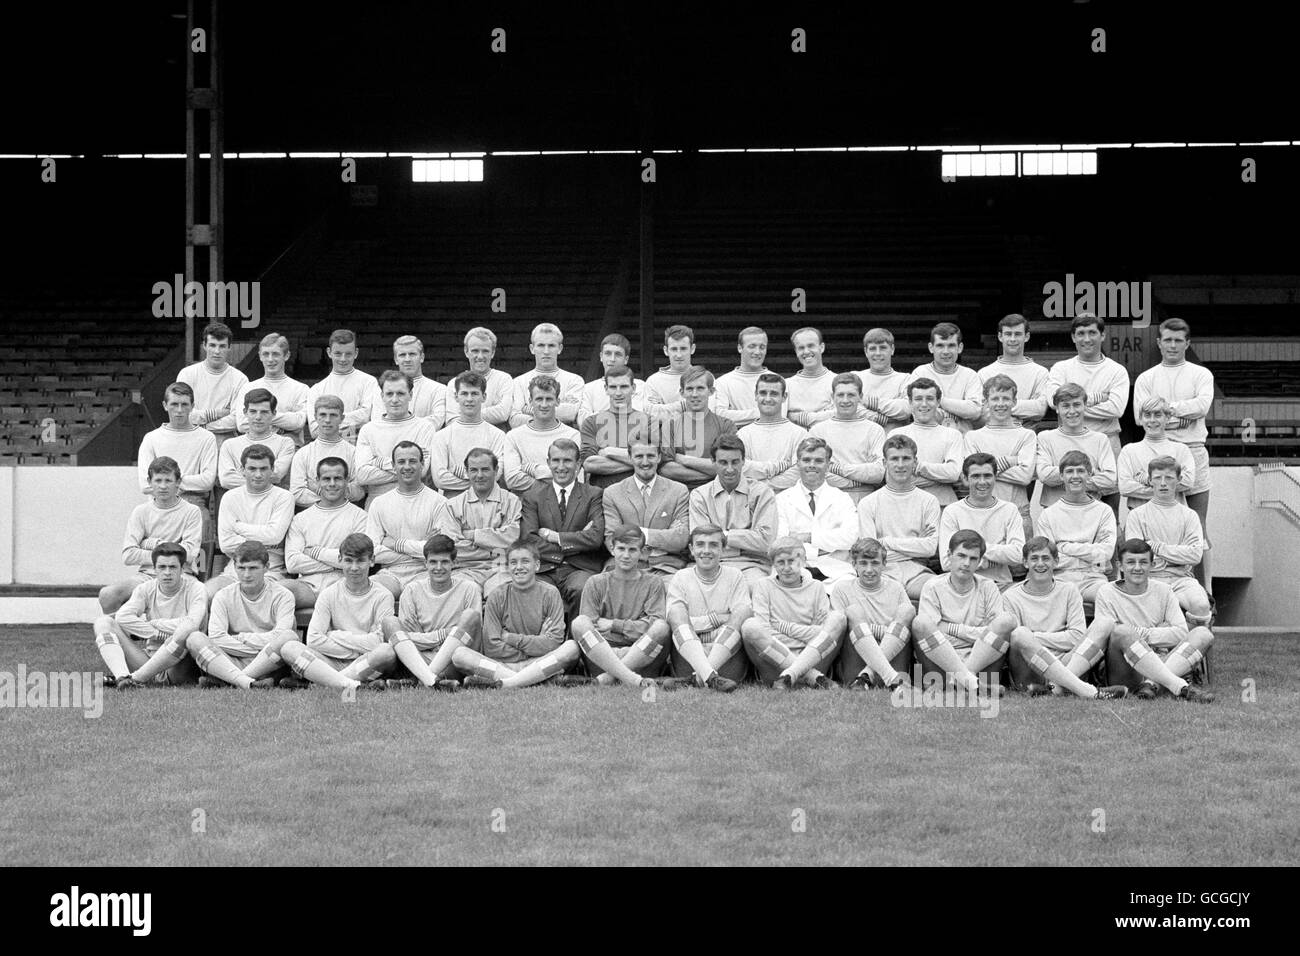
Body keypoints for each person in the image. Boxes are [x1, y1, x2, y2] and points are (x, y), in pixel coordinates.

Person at [1133, 317, 1215, 595]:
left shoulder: (1200, 374)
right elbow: (1139, 415)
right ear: (1158, 342)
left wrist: (1166, 410)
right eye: (1167, 339)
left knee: (1198, 527)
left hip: (1192, 449)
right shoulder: (1147, 378)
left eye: (1179, 340)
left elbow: (1202, 405)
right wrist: (1181, 416)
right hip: (1157, 450)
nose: (1172, 345)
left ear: (1187, 343)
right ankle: (1154, 591)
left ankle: (1205, 593)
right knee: (1155, 524)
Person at [1090, 539, 1214, 703]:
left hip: (1163, 661)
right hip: (1127, 668)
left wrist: (1139, 634)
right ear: (1120, 566)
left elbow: (1181, 633)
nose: (1137, 568)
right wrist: (1158, 632)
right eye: (1130, 562)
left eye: (1143, 562)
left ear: (1152, 565)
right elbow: (1107, 635)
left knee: (1203, 633)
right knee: (1121, 632)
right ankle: (1176, 685)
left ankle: (1151, 685)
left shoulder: (1164, 590)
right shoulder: (1106, 592)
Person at [1003, 537, 1128, 699]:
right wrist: (1032, 641)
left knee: (1106, 623)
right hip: (1031, 667)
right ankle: (1085, 690)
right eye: (1034, 558)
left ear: (1056, 562)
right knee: (1019, 634)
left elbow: (1076, 636)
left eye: (1046, 558)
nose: (1040, 564)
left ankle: (1056, 688)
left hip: (1069, 661)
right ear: (1025, 563)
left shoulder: (1069, 590)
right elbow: (1020, 643)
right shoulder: (1010, 596)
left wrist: (1034, 637)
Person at [275, 533, 400, 690]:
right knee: (289, 648)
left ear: (372, 560)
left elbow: (378, 642)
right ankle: (351, 683)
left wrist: (335, 635)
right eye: (348, 561)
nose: (354, 568)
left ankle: (324, 682)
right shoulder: (329, 593)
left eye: (360, 561)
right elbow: (313, 640)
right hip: (329, 660)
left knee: (386, 653)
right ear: (339, 560)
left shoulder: (383, 596)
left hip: (364, 661)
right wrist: (356, 647)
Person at [454, 540, 582, 689]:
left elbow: (554, 643)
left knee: (572, 648)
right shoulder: (497, 595)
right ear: (507, 567)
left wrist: (510, 638)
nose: (519, 567)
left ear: (537, 565)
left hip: (537, 661)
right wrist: (536, 645)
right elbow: (492, 648)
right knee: (460, 655)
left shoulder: (551, 593)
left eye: (525, 561)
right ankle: (536, 679)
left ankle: (507, 682)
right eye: (513, 562)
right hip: (507, 665)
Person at [910, 530, 1017, 695]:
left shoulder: (988, 586)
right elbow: (932, 631)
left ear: (979, 561)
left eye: (973, 558)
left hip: (980, 657)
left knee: (1007, 621)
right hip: (943, 658)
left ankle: (958, 682)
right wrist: (978, 634)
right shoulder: (932, 586)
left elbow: (995, 631)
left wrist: (952, 629)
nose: (966, 563)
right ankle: (971, 683)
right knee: (920, 623)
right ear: (949, 555)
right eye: (961, 555)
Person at [567, 525, 670, 689]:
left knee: (661, 627)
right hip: (603, 655)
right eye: (621, 549)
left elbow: (654, 627)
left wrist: (614, 625)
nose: (626, 555)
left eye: (632, 550)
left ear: (642, 552)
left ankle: (609, 678)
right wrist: (635, 629)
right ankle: (632, 679)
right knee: (579, 623)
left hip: (641, 655)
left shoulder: (653, 583)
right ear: (612, 549)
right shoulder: (596, 582)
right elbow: (592, 628)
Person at [92, 542, 205, 689]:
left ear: (183, 569)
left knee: (186, 633)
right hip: (148, 660)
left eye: (173, 567)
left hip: (179, 664)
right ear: (154, 569)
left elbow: (192, 624)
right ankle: (123, 678)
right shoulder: (145, 588)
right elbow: (123, 617)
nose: (167, 572)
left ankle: (134, 678)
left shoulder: (196, 589)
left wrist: (156, 623)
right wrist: (156, 634)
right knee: (104, 622)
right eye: (162, 567)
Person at [100, 456, 203, 614]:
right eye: (158, 480)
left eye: (168, 480)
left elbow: (188, 554)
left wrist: (149, 543)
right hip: (147, 575)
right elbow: (128, 555)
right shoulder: (141, 512)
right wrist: (165, 549)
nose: (163, 486)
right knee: (107, 595)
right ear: (149, 482)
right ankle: (119, 636)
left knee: (199, 595)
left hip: (180, 574)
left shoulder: (191, 512)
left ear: (178, 482)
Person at [186, 540, 295, 689]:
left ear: (266, 568)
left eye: (253, 568)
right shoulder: (223, 595)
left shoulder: (283, 595)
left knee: (289, 637)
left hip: (266, 660)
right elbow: (217, 638)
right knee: (195, 638)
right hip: (231, 657)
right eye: (241, 568)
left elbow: (280, 635)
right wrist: (255, 647)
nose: (246, 574)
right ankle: (249, 682)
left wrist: (241, 638)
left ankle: (231, 680)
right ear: (234, 568)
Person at [741, 537, 846, 688]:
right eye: (780, 562)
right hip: (774, 662)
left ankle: (794, 674)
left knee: (838, 618)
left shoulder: (816, 587)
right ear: (773, 564)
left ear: (803, 561)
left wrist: (781, 626)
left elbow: (822, 635)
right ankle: (811, 676)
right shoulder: (763, 586)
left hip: (813, 659)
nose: (786, 567)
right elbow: (764, 632)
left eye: (791, 561)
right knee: (750, 626)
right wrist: (809, 632)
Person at [383, 534, 481, 690]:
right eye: (433, 562)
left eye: (445, 562)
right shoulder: (412, 590)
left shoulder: (469, 589)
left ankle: (423, 680)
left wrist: (427, 639)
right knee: (390, 622)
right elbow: (407, 641)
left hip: (452, 662)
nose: (439, 568)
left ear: (454, 563)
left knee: (470, 617)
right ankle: (433, 680)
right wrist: (446, 634)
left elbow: (471, 638)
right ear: (425, 564)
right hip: (418, 660)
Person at [519, 438, 605, 615]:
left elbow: (595, 538)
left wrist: (555, 537)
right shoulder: (532, 496)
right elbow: (529, 540)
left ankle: (575, 640)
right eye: (556, 460)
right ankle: (545, 642)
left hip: (579, 568)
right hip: (544, 568)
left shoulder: (593, 495)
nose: (561, 466)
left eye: (567, 460)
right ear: (548, 463)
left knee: (582, 588)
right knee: (534, 590)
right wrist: (576, 542)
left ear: (578, 464)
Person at [1125, 456, 1212, 628]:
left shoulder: (1189, 515)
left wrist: (1157, 548)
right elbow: (1137, 555)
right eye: (1157, 478)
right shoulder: (1137, 514)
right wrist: (1178, 555)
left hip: (1181, 578)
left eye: (1169, 478)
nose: (1163, 483)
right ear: (1150, 481)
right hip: (1149, 578)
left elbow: (1195, 555)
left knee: (1201, 606)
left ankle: (1190, 652)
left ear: (1178, 480)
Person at [367, 441, 456, 598]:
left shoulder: (439, 502)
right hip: (391, 573)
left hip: (426, 572)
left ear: (422, 464)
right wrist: (421, 547)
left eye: (413, 461)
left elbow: (439, 551)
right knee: (368, 592)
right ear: (393, 465)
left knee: (421, 594)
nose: (407, 467)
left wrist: (395, 544)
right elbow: (372, 553)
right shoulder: (379, 503)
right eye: (401, 462)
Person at [663, 525, 748, 690]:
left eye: (713, 545)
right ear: (691, 549)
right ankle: (710, 677)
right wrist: (717, 619)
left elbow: (739, 620)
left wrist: (696, 625)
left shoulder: (735, 576)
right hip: (690, 657)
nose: (706, 550)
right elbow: (674, 622)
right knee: (676, 612)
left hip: (725, 657)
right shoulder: (681, 577)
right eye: (700, 544)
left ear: (723, 549)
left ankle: (698, 678)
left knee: (743, 612)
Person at [857, 434, 940, 599]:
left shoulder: (929, 501)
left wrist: (886, 542)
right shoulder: (868, 502)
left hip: (916, 572)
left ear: (915, 462)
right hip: (881, 572)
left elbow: (930, 548)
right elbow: (870, 553)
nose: (900, 465)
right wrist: (916, 547)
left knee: (939, 589)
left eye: (906, 458)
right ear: (884, 463)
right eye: (894, 459)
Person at [209, 444, 295, 599]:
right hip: (236, 568)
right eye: (252, 469)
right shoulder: (230, 497)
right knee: (206, 594)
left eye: (263, 469)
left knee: (256, 595)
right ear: (242, 470)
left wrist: (238, 527)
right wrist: (264, 538)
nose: (258, 474)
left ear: (272, 469)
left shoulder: (284, 497)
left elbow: (274, 536)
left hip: (270, 569)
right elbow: (226, 544)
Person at [687, 434, 777, 581]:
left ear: (743, 462)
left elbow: (766, 541)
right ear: (713, 462)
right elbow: (701, 541)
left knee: (757, 586)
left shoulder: (761, 492)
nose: (730, 469)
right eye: (723, 462)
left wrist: (724, 535)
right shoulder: (700, 495)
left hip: (751, 565)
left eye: (735, 462)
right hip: (709, 564)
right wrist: (744, 542)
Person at [282, 456, 368, 609]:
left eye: (338, 478)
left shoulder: (360, 517)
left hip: (345, 586)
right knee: (278, 591)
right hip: (308, 586)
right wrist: (336, 563)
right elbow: (293, 563)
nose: (332, 484)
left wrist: (315, 553)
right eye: (327, 479)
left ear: (347, 480)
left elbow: (355, 559)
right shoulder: (301, 519)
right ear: (317, 481)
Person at [830, 538, 916, 690]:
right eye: (863, 563)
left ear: (884, 564)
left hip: (894, 657)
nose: (869, 570)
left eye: (875, 563)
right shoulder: (841, 589)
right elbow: (839, 631)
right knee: (853, 612)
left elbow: (906, 626)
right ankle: (879, 676)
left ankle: (866, 675)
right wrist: (885, 631)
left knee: (907, 610)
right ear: (854, 564)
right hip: (856, 656)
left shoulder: (896, 588)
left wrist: (872, 631)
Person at [1034, 451, 1116, 603]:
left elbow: (1105, 554)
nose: (1075, 476)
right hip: (1059, 579)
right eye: (1069, 471)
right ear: (1061, 476)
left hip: (1093, 579)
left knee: (1110, 596)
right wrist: (1090, 556)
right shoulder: (1049, 514)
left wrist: (1063, 547)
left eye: (1081, 471)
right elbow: (1046, 558)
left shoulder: (1104, 511)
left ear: (1090, 474)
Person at [962, 374, 1037, 539]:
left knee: (1019, 563)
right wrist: (1010, 461)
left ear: (1014, 402)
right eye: (995, 398)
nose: (1001, 404)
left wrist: (986, 468)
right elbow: (971, 477)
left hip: (1018, 511)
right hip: (981, 512)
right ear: (986, 402)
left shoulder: (1027, 435)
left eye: (1006, 398)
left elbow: (1025, 476)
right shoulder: (973, 437)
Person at [775, 436, 858, 580]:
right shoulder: (781, 500)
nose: (812, 465)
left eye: (819, 461)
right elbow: (781, 542)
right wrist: (820, 549)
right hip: (793, 567)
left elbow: (850, 537)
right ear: (797, 463)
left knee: (843, 589)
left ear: (828, 464)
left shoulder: (842, 499)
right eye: (806, 460)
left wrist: (808, 537)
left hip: (836, 569)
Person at [1046, 312, 1129, 457]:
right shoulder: (1060, 368)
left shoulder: (1117, 370)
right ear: (1073, 337)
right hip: (1068, 441)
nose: (1087, 339)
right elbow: (1054, 401)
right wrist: (1098, 397)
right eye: (1081, 333)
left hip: (1107, 441)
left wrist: (1070, 406)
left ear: (1102, 335)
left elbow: (1116, 409)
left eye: (1092, 333)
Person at [601, 442, 690, 576]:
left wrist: (636, 532)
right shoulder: (612, 493)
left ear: (659, 457)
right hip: (624, 564)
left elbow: (681, 539)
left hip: (666, 566)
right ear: (630, 458)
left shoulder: (678, 491)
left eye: (650, 456)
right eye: (639, 456)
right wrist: (663, 536)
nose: (645, 462)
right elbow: (611, 539)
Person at [938, 454, 1025, 590]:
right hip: (962, 585)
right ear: (965, 479)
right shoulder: (952, 511)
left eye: (987, 476)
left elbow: (1018, 555)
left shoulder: (1009, 509)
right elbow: (946, 562)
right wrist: (995, 559)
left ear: (995, 477)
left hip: (1001, 585)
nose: (982, 482)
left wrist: (969, 551)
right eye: (976, 476)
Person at [445, 448, 521, 597]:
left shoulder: (512, 501)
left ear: (496, 470)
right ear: (466, 472)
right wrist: (494, 543)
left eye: (485, 469)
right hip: (465, 570)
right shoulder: (453, 505)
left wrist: (473, 535)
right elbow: (453, 548)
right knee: (461, 592)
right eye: (473, 470)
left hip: (501, 567)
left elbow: (512, 539)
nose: (479, 475)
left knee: (501, 594)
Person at [136, 382, 218, 521]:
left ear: (192, 406)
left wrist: (167, 482)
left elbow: (207, 480)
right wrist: (181, 483)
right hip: (159, 506)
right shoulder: (151, 438)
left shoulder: (206, 438)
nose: (179, 410)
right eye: (174, 404)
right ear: (165, 405)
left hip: (194, 504)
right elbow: (145, 484)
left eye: (184, 404)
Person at [353, 370, 438, 501]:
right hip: (377, 502)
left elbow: (421, 471)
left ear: (410, 395)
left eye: (400, 394)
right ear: (382, 396)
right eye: (389, 394)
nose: (394, 400)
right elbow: (362, 476)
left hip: (415, 500)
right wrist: (408, 469)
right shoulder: (368, 430)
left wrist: (380, 462)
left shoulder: (425, 427)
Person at [1035, 383, 1118, 511]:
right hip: (1054, 510)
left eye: (1077, 405)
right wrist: (1089, 473)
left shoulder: (1100, 439)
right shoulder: (1045, 438)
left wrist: (1065, 476)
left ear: (1085, 406)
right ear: (1057, 408)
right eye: (1066, 406)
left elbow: (1109, 479)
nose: (1072, 411)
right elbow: (1045, 475)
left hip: (1090, 511)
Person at [809, 371, 886, 503]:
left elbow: (878, 473)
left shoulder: (874, 430)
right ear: (833, 397)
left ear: (860, 397)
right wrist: (856, 480)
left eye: (851, 395)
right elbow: (814, 471)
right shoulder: (818, 431)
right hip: (827, 498)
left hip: (864, 499)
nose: (845, 400)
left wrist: (837, 468)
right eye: (840, 395)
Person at [656, 365, 737, 489]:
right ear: (682, 392)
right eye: (689, 389)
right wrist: (713, 472)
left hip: (716, 494)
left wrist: (683, 459)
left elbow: (729, 466)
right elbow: (666, 470)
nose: (694, 394)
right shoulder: (670, 426)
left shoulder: (726, 425)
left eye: (700, 388)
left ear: (711, 391)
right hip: (679, 494)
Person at [430, 371, 508, 497]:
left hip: (488, 505)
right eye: (464, 394)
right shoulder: (441, 436)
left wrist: (463, 475)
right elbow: (440, 479)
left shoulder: (498, 435)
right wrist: (481, 479)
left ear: (484, 397)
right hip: (453, 505)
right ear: (456, 396)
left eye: (475, 394)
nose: (469, 399)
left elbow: (496, 475)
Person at [579, 364, 655, 489]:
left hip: (641, 494)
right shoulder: (591, 422)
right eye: (613, 387)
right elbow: (589, 464)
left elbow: (655, 460)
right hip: (602, 495)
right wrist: (640, 460)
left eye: (624, 387)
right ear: (606, 389)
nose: (618, 393)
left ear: (633, 388)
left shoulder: (649, 421)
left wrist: (609, 451)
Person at [892, 378, 964, 506]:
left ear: (938, 402)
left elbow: (953, 473)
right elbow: (893, 477)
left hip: (941, 505)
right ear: (910, 402)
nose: (924, 404)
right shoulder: (896, 434)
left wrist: (917, 467)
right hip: (905, 504)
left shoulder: (952, 435)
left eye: (930, 399)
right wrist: (940, 478)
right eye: (918, 399)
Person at [504, 374, 579, 493]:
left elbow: (575, 476)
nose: (544, 405)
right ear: (530, 401)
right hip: (525, 507)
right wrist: (556, 478)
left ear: (558, 402)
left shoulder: (572, 435)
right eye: (539, 399)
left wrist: (535, 470)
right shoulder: (513, 436)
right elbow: (512, 479)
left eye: (549, 399)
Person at [905, 322, 984, 434]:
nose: (946, 351)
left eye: (951, 345)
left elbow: (975, 411)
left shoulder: (970, 375)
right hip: (926, 436)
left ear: (960, 347)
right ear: (931, 348)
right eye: (940, 345)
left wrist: (938, 400)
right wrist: (959, 412)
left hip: (962, 440)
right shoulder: (920, 373)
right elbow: (915, 409)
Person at [1117, 397, 1196, 507]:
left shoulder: (1181, 450)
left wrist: (1145, 480)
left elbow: (1188, 482)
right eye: (1147, 415)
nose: (1152, 420)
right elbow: (1125, 487)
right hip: (1139, 518)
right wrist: (1169, 484)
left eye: (1158, 415)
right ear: (1140, 419)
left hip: (1173, 516)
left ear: (1168, 418)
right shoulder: (1129, 451)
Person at [177, 321, 247, 444]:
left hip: (224, 444)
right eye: (212, 345)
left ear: (229, 347)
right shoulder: (187, 374)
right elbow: (182, 413)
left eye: (222, 346)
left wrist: (202, 425)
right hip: (190, 440)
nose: (217, 351)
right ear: (204, 345)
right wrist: (218, 413)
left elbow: (237, 419)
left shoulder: (240, 379)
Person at [233, 332, 311, 444]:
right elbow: (242, 424)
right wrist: (283, 423)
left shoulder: (301, 389)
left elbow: (298, 422)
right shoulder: (247, 388)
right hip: (254, 451)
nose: (270, 359)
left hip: (291, 450)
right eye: (266, 354)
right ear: (260, 356)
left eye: (275, 354)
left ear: (286, 355)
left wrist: (258, 418)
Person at [289, 395, 363, 508]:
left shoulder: (354, 453)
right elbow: (297, 492)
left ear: (342, 418)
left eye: (333, 415)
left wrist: (316, 488)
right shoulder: (303, 453)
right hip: (313, 515)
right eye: (323, 415)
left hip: (345, 514)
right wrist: (332, 496)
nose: (327, 420)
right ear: (315, 417)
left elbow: (359, 491)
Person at [977, 314, 1049, 427]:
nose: (1012, 339)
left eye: (1018, 334)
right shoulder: (984, 373)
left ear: (1027, 336)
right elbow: (983, 412)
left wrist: (996, 406)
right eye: (1008, 334)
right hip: (993, 438)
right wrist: (1027, 407)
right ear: (1000, 336)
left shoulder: (1040, 373)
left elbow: (1039, 409)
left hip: (1027, 439)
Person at [306, 329, 379, 439]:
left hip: (359, 445)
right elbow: (315, 431)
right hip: (327, 448)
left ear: (356, 353)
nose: (343, 359)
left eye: (348, 354)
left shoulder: (369, 382)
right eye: (338, 354)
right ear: (329, 352)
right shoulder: (316, 389)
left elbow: (368, 417)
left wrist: (329, 423)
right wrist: (355, 420)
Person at [217, 388, 295, 490]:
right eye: (253, 411)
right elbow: (226, 480)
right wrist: (262, 477)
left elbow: (276, 475)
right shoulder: (229, 445)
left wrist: (242, 473)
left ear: (274, 413)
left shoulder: (285, 443)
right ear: (245, 412)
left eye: (264, 412)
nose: (258, 417)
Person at [736, 373, 804, 490]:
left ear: (784, 397)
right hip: (753, 502)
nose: (768, 399)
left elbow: (798, 472)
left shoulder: (799, 434)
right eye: (763, 393)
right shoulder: (743, 434)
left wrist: (762, 486)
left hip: (789, 502)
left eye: (774, 394)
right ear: (756, 396)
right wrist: (777, 468)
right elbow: (740, 468)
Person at [509, 323, 584, 428]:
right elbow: (515, 420)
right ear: (532, 348)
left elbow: (569, 414)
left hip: (562, 440)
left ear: (560, 348)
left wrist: (529, 410)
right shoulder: (518, 382)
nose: (546, 351)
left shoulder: (574, 380)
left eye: (551, 345)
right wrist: (556, 409)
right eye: (541, 345)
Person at [369, 334, 449, 428]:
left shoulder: (439, 389)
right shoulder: (382, 389)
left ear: (422, 357)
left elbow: (436, 421)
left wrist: (403, 427)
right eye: (402, 355)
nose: (407, 359)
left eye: (412, 354)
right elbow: (378, 422)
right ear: (396, 359)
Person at [577, 333, 648, 428]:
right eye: (608, 353)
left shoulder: (640, 386)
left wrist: (599, 415)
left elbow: (638, 418)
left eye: (618, 354)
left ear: (626, 359)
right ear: (601, 356)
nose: (612, 359)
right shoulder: (589, 388)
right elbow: (583, 422)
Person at [448, 327, 514, 427]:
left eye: (485, 351)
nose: (480, 356)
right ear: (466, 352)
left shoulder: (504, 379)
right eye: (475, 351)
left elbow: (503, 413)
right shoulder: (454, 383)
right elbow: (452, 420)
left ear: (493, 353)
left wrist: (466, 414)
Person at [711, 326, 771, 427]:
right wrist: (764, 412)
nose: (757, 352)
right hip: (736, 441)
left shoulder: (778, 380)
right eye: (752, 346)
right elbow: (718, 417)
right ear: (739, 348)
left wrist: (734, 414)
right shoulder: (722, 382)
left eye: (762, 347)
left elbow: (780, 415)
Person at [854, 328, 910, 432]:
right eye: (873, 349)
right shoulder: (855, 377)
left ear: (892, 349)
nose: (878, 353)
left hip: (895, 443)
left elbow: (906, 409)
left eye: (883, 348)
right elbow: (850, 408)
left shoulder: (905, 379)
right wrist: (883, 419)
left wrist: (866, 401)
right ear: (866, 351)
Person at [785, 327, 836, 428]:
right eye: (801, 348)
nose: (806, 351)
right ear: (796, 351)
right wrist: (825, 414)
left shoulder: (837, 381)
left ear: (822, 347)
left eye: (811, 346)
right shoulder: (786, 385)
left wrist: (797, 417)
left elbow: (842, 415)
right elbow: (782, 419)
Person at [643, 324, 697, 413]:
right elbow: (651, 413)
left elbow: (708, 413)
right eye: (674, 349)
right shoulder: (653, 381)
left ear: (692, 349)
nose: (679, 355)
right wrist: (683, 405)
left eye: (683, 349)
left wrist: (665, 409)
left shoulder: (705, 377)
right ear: (665, 350)